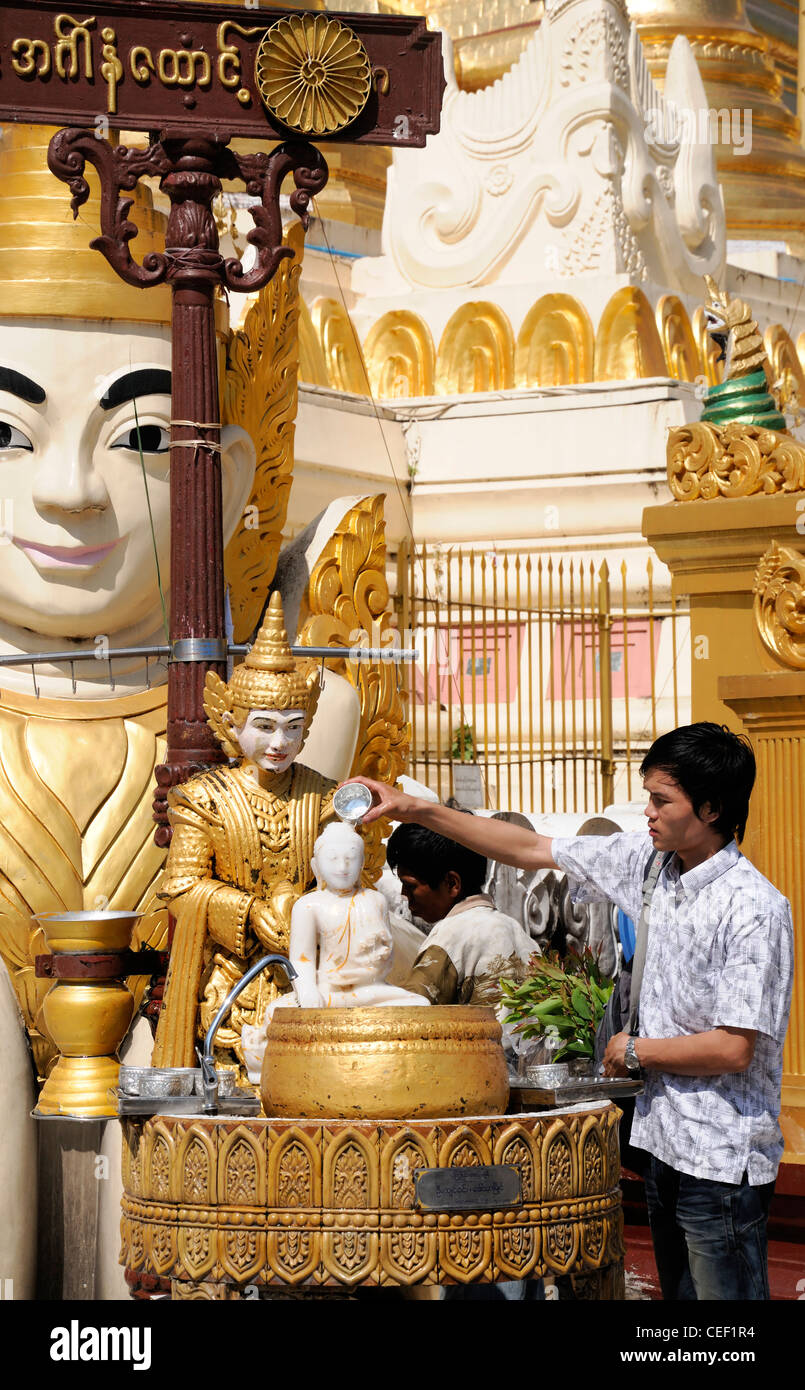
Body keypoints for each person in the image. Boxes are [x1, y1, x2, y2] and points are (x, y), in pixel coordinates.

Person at [350, 721, 794, 1302]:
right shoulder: (651, 866)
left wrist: (635, 1051)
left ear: (711, 809)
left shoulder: (754, 907)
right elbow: (528, 847)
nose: (648, 812)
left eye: (661, 800)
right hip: (664, 1144)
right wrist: (415, 808)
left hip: (721, 1160)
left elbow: (734, 1047)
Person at [385, 821, 536, 1007]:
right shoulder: (521, 935)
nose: (404, 895)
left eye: (410, 885)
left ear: (451, 883)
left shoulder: (451, 935)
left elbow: (411, 1011)